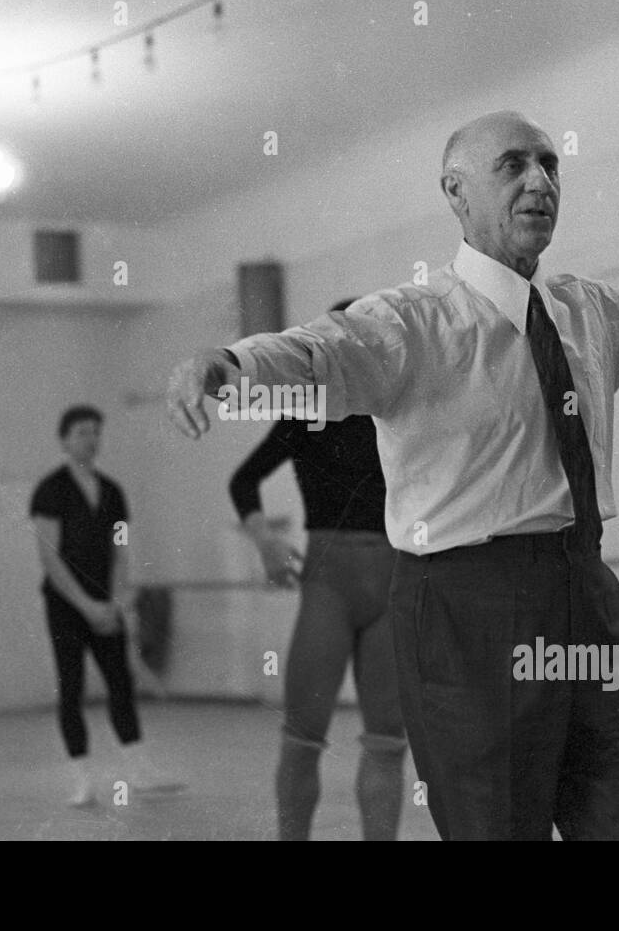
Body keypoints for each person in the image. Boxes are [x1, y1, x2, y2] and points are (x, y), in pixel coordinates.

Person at [166, 110, 619, 840]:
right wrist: (230, 364)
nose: (540, 181)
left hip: (584, 587)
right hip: (463, 606)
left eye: (549, 164)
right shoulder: (410, 322)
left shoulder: (589, 311)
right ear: (456, 192)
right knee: (496, 818)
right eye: (513, 165)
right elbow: (318, 351)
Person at [227, 297, 406, 840]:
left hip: (393, 577)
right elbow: (243, 480)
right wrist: (264, 542)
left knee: (387, 742)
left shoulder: (397, 409)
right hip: (330, 583)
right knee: (303, 735)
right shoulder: (305, 408)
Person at [30, 405, 182, 806]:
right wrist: (85, 605)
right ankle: (81, 778)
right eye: (82, 432)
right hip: (66, 604)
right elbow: (50, 557)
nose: (90, 438)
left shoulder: (113, 492)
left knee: (120, 683)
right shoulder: (50, 490)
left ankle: (140, 769)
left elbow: (120, 552)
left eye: (96, 431)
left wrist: (115, 602)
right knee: (72, 686)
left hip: (106, 605)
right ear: (65, 440)